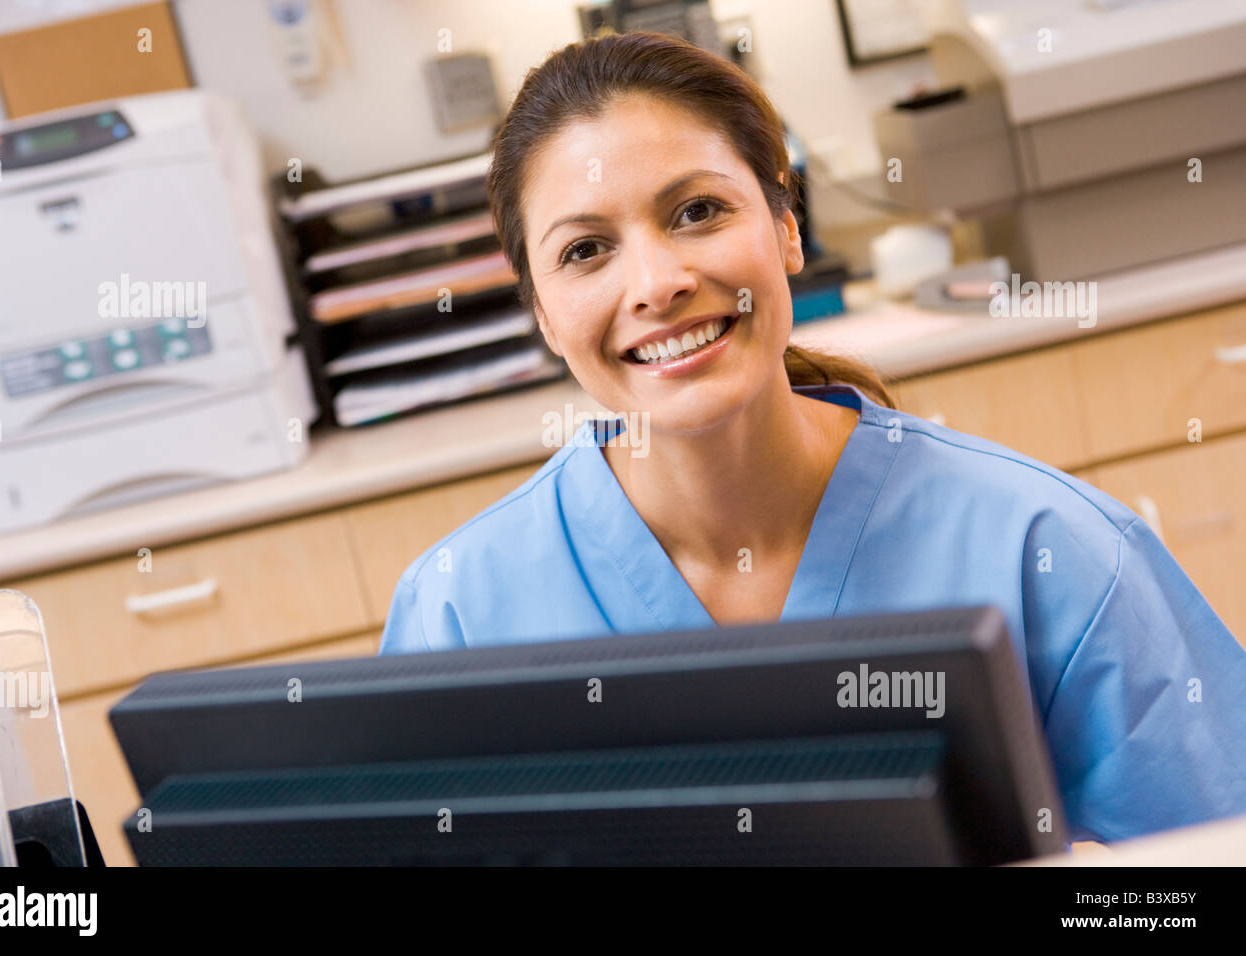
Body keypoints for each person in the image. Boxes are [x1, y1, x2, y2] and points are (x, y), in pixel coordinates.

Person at [380, 31, 1246, 846]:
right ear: (540, 310)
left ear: (787, 227)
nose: (657, 283)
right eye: (584, 251)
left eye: (696, 211)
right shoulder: (458, 618)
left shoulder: (1052, 554)